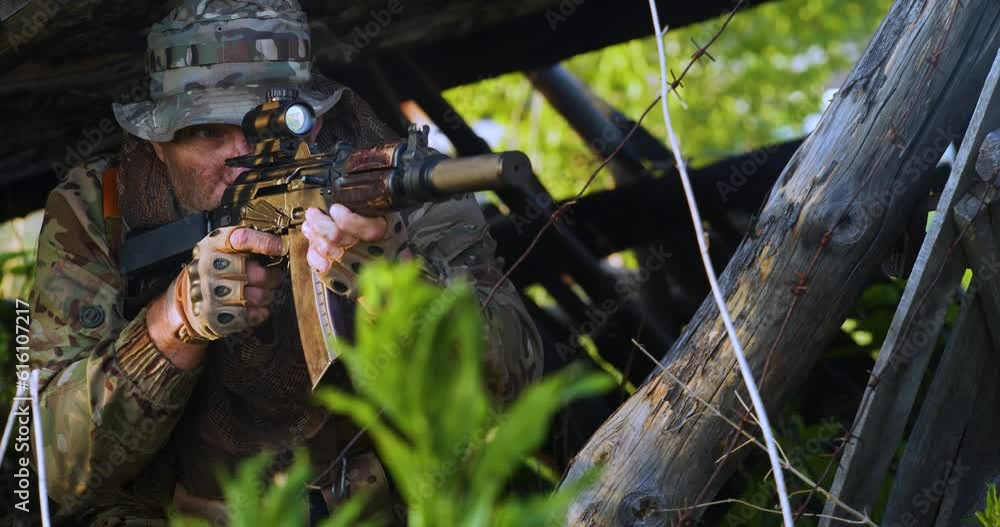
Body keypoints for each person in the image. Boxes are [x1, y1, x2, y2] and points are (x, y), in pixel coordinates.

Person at [27, 0, 542, 524]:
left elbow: (511, 390)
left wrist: (400, 283)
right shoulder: (102, 209)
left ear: (316, 124)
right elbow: (42, 473)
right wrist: (171, 324)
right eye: (207, 132)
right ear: (156, 143)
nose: (244, 157)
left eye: (268, 128)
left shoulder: (396, 188)